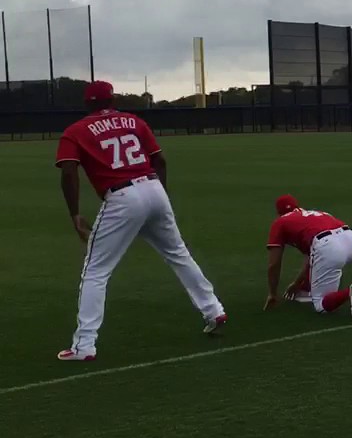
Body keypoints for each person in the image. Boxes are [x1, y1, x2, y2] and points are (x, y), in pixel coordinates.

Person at [53, 81, 226, 361]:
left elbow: (68, 171)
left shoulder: (75, 130)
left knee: (96, 271)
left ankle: (84, 346)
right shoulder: (134, 121)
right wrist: (160, 198)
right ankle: (214, 310)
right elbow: (161, 161)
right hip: (153, 187)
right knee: (179, 254)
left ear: (86, 103)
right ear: (113, 99)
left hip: (122, 196)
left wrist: (74, 213)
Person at [263, 195, 352, 318]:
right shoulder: (317, 213)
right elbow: (311, 257)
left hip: (329, 247)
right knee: (325, 261)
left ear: (279, 212)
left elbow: (274, 264)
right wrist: (297, 283)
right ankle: (311, 288)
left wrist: (272, 293)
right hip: (351, 240)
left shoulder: (280, 222)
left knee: (320, 304)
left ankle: (350, 292)